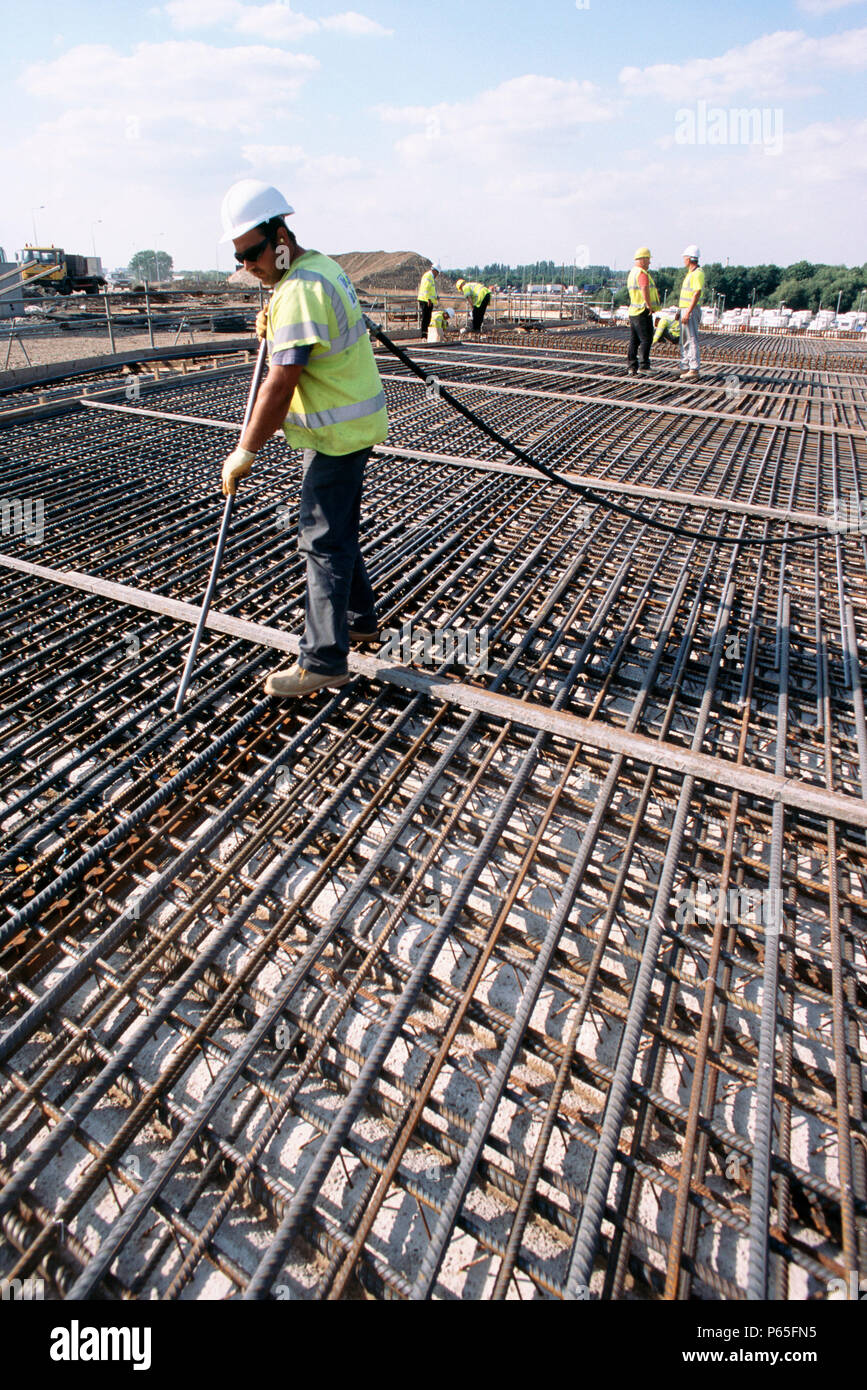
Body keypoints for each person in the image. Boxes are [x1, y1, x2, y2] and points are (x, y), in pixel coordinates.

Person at [218, 178, 388, 698]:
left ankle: (323, 660)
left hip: (340, 433)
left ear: (280, 235)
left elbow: (280, 381)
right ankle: (359, 622)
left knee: (320, 538)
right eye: (239, 256)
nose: (248, 266)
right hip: (353, 424)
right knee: (336, 530)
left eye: (253, 253)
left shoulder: (300, 290)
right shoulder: (320, 268)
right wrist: (277, 308)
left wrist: (246, 448)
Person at [626, 247, 660, 374]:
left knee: (634, 340)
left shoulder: (632, 273)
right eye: (648, 259)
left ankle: (632, 366)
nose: (649, 263)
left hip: (633, 311)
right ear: (643, 259)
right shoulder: (641, 273)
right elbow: (644, 288)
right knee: (646, 338)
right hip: (642, 310)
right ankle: (644, 366)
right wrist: (649, 305)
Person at [679, 244, 704, 381]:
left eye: (685, 257)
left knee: (691, 338)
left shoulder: (697, 274)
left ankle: (693, 368)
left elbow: (696, 293)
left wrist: (688, 311)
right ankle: (685, 366)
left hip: (690, 310)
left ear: (689, 259)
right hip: (685, 309)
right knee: (684, 340)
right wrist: (681, 311)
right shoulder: (691, 273)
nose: (684, 260)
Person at [417, 265, 439, 335]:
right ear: (435, 271)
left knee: (428, 318)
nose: (437, 275)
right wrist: (428, 299)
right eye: (437, 273)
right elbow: (425, 288)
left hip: (428, 300)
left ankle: (426, 334)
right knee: (425, 318)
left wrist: (436, 296)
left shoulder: (430, 277)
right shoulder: (428, 276)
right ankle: (424, 335)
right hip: (425, 300)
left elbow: (431, 289)